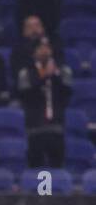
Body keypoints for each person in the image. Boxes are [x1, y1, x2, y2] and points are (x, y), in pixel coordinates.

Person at [17, 40, 72, 168]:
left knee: (57, 168)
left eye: (47, 47)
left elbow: (67, 93)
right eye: (40, 48)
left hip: (56, 128)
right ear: (34, 52)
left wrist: (55, 75)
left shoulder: (63, 71)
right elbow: (25, 95)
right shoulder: (26, 73)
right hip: (34, 129)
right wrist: (44, 77)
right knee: (35, 169)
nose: (44, 51)